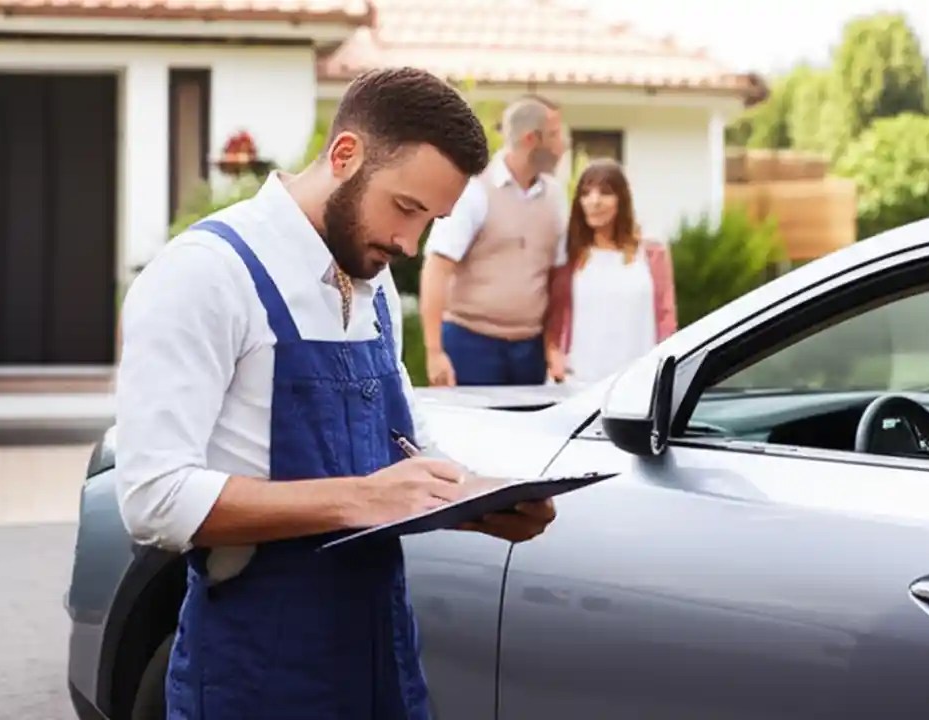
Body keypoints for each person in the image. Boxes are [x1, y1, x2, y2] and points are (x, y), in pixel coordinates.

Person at [113, 67, 557, 720]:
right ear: (346, 154)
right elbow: (153, 498)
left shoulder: (371, 288)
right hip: (257, 679)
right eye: (406, 208)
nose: (410, 244)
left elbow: (407, 449)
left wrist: (475, 499)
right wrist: (364, 498)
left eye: (430, 220)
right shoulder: (206, 275)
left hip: (382, 663)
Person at [418, 94, 569, 386]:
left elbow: (557, 277)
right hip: (471, 345)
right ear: (530, 139)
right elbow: (437, 267)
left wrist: (551, 345)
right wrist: (434, 351)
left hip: (529, 350)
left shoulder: (556, 196)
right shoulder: (475, 192)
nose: (562, 146)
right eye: (554, 135)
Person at [545, 158, 677, 385]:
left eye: (605, 193)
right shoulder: (569, 255)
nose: (593, 201)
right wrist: (554, 358)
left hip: (639, 384)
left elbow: (666, 319)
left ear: (621, 200)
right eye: (585, 194)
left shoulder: (652, 254)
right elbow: (554, 320)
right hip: (578, 384)